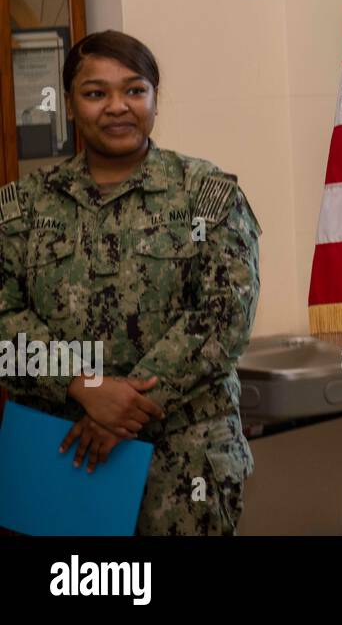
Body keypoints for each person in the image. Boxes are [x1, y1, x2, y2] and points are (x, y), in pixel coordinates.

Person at [0, 30, 261, 534]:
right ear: (71, 105)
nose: (117, 107)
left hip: (185, 466)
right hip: (61, 456)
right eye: (96, 93)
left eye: (134, 90)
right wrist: (84, 386)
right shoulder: (22, 208)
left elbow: (223, 317)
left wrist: (120, 410)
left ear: (155, 100)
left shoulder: (206, 195)